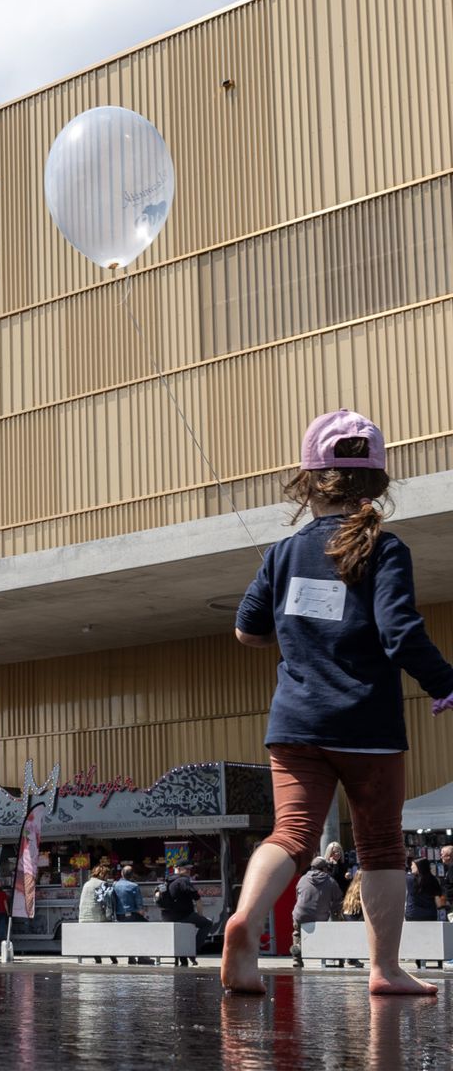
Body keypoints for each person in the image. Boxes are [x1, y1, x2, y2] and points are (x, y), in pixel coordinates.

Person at [222, 409, 453, 995]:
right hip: (366, 725)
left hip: (295, 722)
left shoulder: (282, 553)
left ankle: (244, 922)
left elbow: (247, 632)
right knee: (378, 845)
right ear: (377, 482)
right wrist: (445, 683)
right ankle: (384, 970)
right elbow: (400, 631)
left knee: (292, 834)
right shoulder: (385, 548)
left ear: (307, 480)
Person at [290, 856, 345, 967]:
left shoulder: (303, 879)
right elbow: (339, 900)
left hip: (300, 915)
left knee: (297, 932)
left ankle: (297, 957)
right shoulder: (330, 881)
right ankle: (333, 955)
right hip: (319, 917)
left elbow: (298, 896)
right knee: (326, 927)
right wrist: (335, 912)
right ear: (324, 868)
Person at [159, 864, 208, 967]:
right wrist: (200, 916)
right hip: (182, 916)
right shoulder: (183, 881)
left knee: (182, 932)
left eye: (190, 869)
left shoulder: (167, 881)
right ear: (179, 869)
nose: (189, 871)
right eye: (186, 869)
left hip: (167, 917)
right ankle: (192, 951)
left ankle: (184, 960)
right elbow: (197, 899)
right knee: (206, 924)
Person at [113, 865, 154, 966]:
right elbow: (139, 907)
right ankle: (142, 957)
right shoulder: (134, 886)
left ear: (122, 873)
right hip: (131, 916)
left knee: (129, 934)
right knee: (146, 927)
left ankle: (131, 957)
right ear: (132, 875)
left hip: (119, 917)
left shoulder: (115, 885)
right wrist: (142, 912)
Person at [78, 863, 118, 966]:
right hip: (97, 917)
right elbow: (107, 902)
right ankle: (113, 958)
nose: (108, 877)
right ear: (102, 874)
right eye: (107, 875)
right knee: (108, 935)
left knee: (95, 938)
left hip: (83, 917)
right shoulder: (102, 884)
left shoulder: (86, 884)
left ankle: (98, 958)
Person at [341, 870, 365, 968]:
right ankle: (353, 959)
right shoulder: (363, 888)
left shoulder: (351, 887)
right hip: (357, 916)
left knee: (351, 936)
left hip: (348, 915)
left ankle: (351, 958)